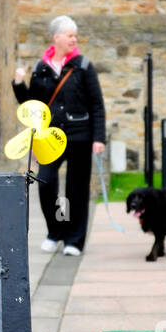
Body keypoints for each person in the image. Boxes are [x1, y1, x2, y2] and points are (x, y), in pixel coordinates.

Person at [13, 15, 106, 255]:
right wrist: (18, 84)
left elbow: (97, 104)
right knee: (46, 183)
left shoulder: (83, 66)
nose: (74, 40)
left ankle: (74, 240)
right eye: (69, 35)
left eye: (75, 35)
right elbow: (33, 106)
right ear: (56, 38)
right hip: (50, 138)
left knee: (76, 189)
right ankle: (55, 231)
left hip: (80, 136)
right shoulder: (41, 68)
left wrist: (99, 138)